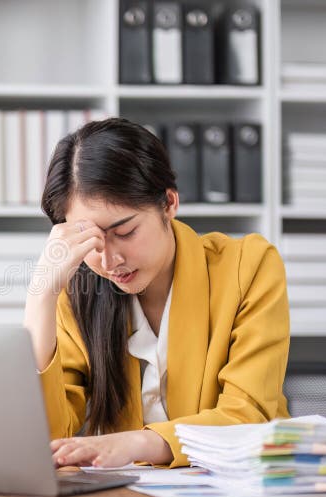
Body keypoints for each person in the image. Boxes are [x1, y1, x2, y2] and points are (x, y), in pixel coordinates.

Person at [23, 117, 290, 469]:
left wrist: (139, 443)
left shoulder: (250, 266)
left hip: (245, 489)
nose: (110, 259)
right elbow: (47, 438)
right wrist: (41, 295)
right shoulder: (78, 289)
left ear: (169, 203)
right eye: (90, 241)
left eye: (126, 231)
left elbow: (247, 416)